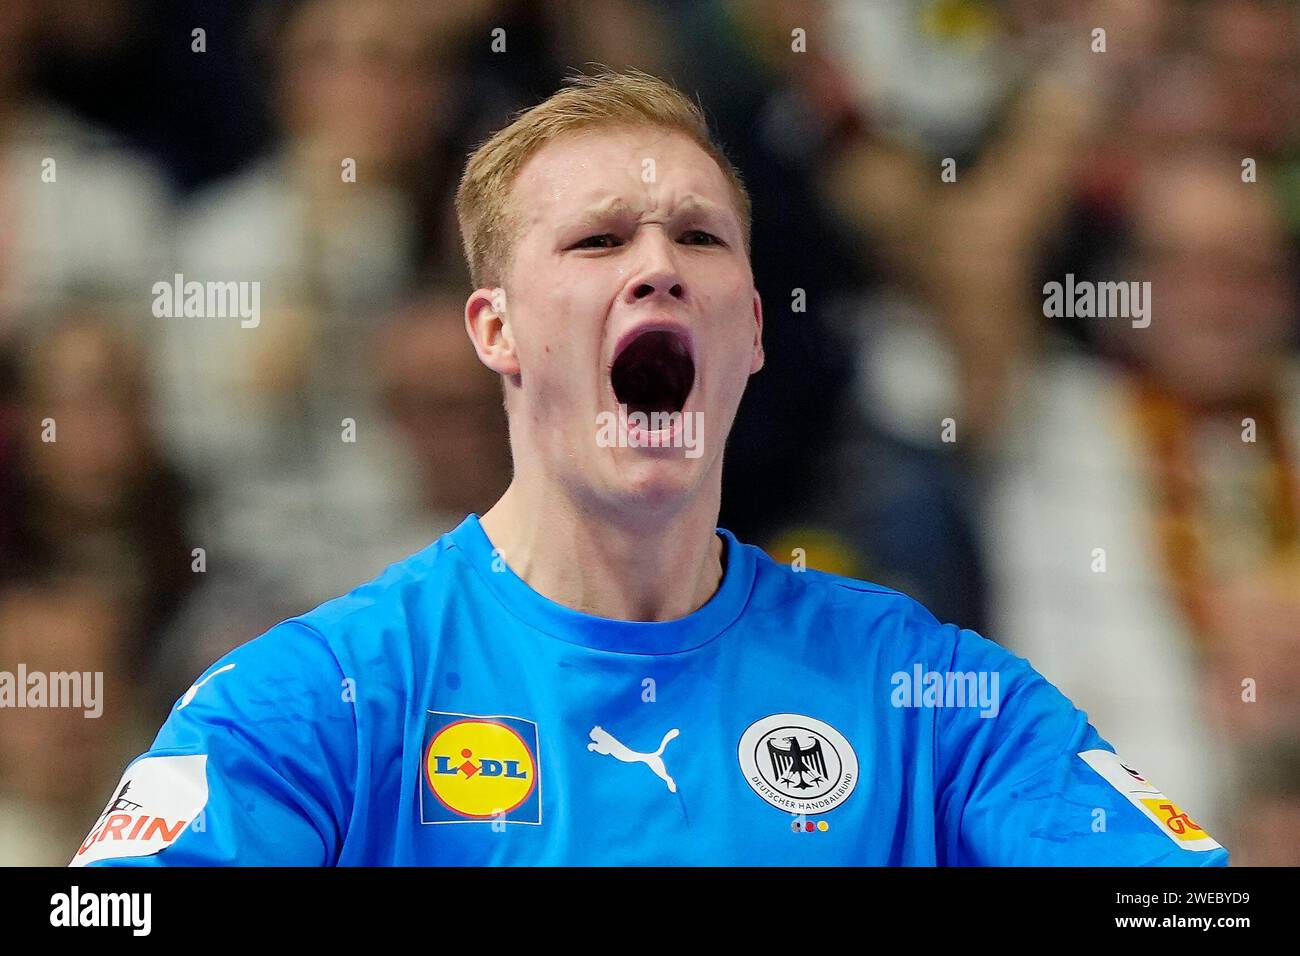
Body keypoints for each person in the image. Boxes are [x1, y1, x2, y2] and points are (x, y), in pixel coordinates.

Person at [72, 70, 1226, 866]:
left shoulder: (926, 691)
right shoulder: (324, 693)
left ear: (754, 331)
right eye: (597, 239)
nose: (659, 265)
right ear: (495, 331)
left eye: (700, 237)